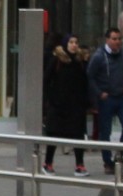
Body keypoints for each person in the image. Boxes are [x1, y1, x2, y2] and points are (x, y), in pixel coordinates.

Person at [87, 27, 123, 175]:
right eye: (114, 39)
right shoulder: (99, 56)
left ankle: (120, 157)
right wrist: (99, 93)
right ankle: (107, 162)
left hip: (121, 96)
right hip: (107, 98)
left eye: (119, 39)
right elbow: (90, 75)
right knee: (105, 131)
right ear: (107, 40)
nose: (117, 42)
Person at [42, 35, 91, 177]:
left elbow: (85, 81)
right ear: (65, 44)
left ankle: (79, 165)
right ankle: (48, 163)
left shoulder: (80, 61)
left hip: (76, 105)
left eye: (76, 42)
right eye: (71, 42)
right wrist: (50, 100)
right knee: (54, 134)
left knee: (78, 135)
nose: (74, 45)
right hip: (58, 105)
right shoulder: (57, 60)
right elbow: (46, 80)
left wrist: (86, 102)